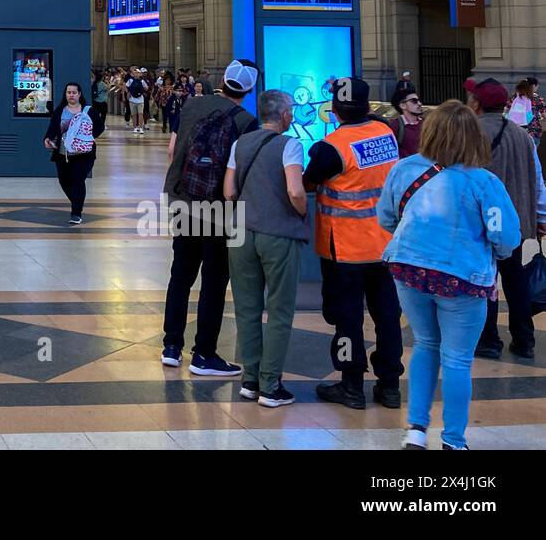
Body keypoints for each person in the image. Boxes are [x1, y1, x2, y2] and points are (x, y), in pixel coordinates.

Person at [379, 101, 521, 451]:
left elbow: (385, 218)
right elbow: (506, 237)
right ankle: (453, 440)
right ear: (473, 137)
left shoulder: (404, 168)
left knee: (425, 344)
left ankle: (415, 430)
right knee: (457, 358)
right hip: (463, 276)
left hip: (408, 269)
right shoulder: (483, 181)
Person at [302, 77, 403, 410]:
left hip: (344, 248)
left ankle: (351, 384)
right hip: (384, 245)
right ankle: (389, 386)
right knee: (387, 316)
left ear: (336, 108)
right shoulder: (385, 134)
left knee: (347, 319)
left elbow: (309, 181)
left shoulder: (331, 146)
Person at [161, 58, 259, 376]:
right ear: (249, 88)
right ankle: (204, 354)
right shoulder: (246, 121)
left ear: (224, 79)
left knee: (181, 275)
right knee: (214, 282)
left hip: (184, 200)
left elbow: (174, 152)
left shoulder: (192, 105)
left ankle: (172, 347)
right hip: (219, 209)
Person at [223, 90, 309, 408]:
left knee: (246, 308)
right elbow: (295, 190)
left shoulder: (240, 144)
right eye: (291, 111)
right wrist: (301, 212)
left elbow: (229, 191)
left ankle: (250, 379)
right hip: (278, 234)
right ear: (284, 114)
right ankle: (270, 385)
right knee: (279, 309)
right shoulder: (291, 145)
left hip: (241, 233)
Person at [464, 77, 543, 361]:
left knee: (485, 281)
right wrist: (540, 216)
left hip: (482, 223)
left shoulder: (470, 134)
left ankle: (488, 340)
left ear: (477, 103)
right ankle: (524, 339)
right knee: (515, 279)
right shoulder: (522, 136)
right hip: (517, 222)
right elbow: (537, 179)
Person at [43, 82, 107, 226]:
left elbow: (99, 126)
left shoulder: (89, 111)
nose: (71, 95)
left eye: (74, 92)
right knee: (64, 181)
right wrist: (47, 139)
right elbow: (53, 128)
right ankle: (77, 202)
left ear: (79, 94)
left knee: (78, 180)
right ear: (65, 95)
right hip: (63, 154)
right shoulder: (60, 111)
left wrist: (88, 136)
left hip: (83, 154)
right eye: (68, 92)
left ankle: (76, 212)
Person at [390, 88, 425, 158]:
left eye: (419, 100)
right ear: (402, 105)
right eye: (414, 101)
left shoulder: (427, 123)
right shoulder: (395, 126)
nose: (419, 104)